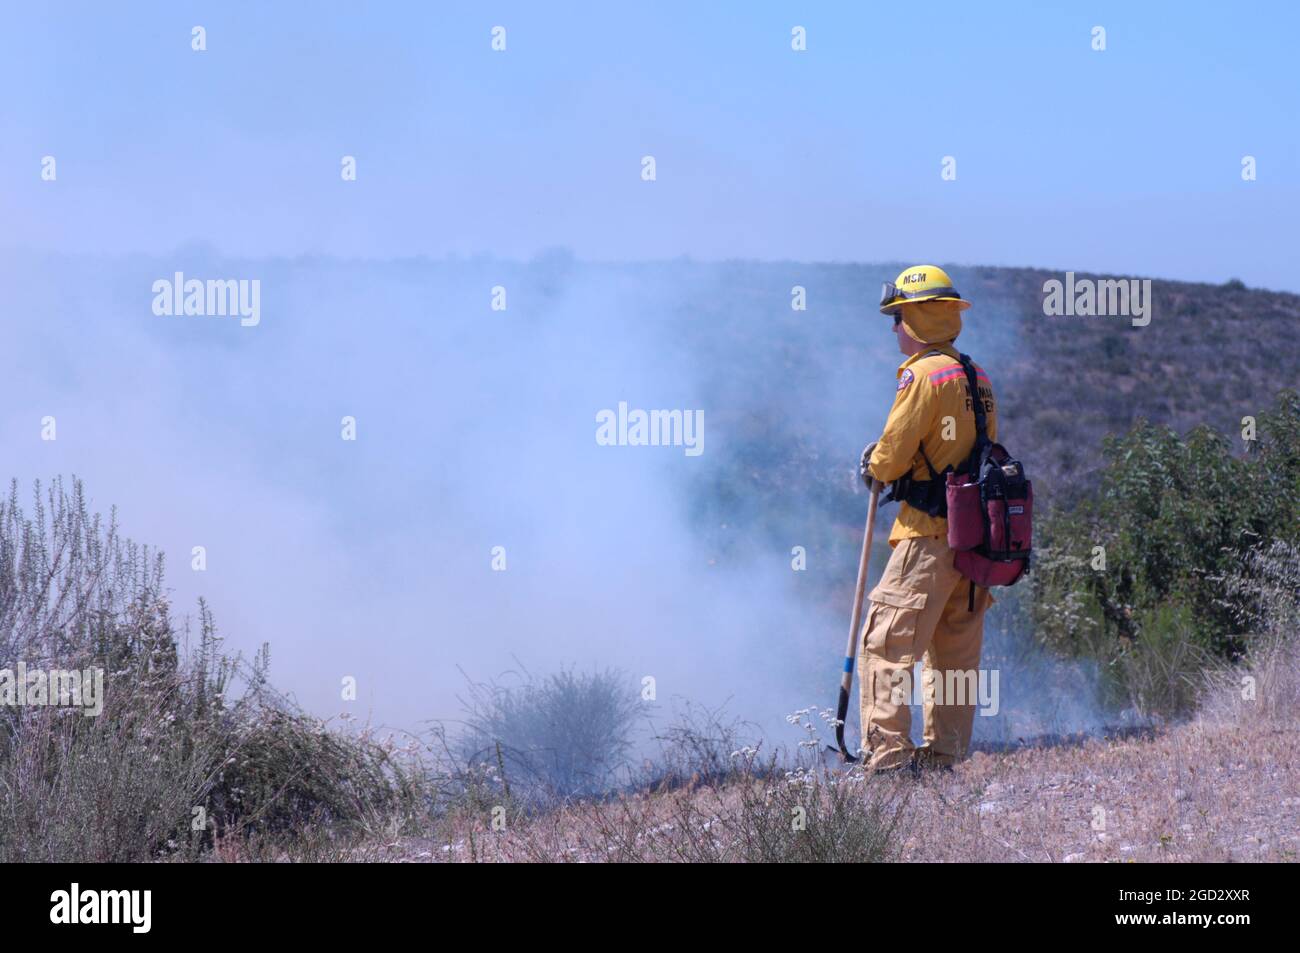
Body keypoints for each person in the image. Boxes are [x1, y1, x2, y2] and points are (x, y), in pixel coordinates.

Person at [858, 265, 998, 772]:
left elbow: (891, 457)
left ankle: (889, 761)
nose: (894, 328)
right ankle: (944, 759)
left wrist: (872, 466)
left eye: (897, 318)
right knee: (955, 656)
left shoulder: (920, 375)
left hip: (927, 537)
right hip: (972, 541)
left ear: (916, 318)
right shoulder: (976, 376)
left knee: (887, 643)